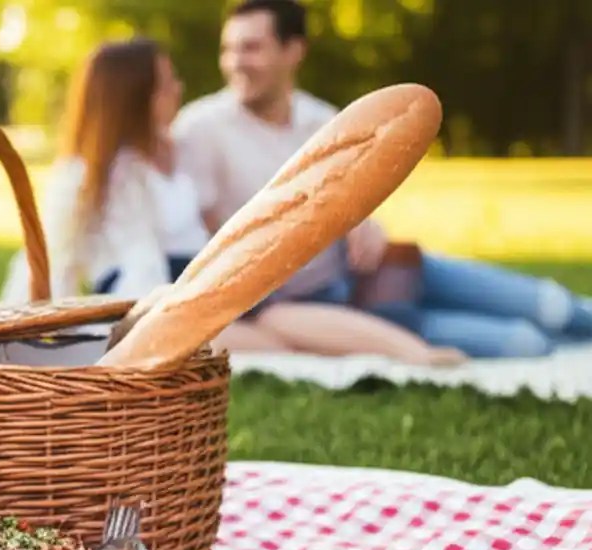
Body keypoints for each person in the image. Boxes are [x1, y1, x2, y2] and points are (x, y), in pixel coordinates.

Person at [0, 38, 465, 364]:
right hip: (148, 300)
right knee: (279, 334)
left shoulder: (174, 150)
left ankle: (410, 351)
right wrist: (20, 337)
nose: (178, 89)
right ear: (134, 97)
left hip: (199, 276)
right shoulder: (86, 176)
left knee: (278, 318)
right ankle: (410, 352)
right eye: (165, 84)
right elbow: (45, 261)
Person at [172, 0, 592, 358]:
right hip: (330, 306)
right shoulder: (200, 129)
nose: (235, 63)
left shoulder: (324, 120)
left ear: (293, 50)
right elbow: (215, 250)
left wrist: (363, 225)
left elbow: (353, 201)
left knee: (553, 305)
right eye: (228, 50)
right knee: (525, 343)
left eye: (251, 48)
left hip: (380, 268)